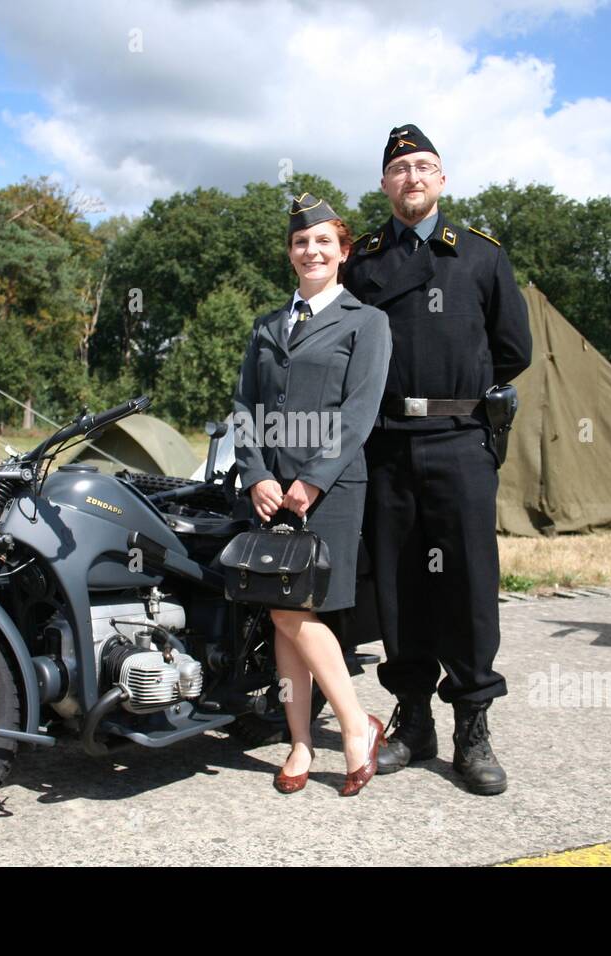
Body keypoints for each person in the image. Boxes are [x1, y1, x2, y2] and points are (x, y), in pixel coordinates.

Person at [342, 124, 532, 795]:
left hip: (459, 443)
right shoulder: (361, 263)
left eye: (425, 167)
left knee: (470, 589)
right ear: (386, 183)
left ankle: (473, 730)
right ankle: (415, 721)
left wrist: (457, 396)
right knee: (398, 587)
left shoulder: (480, 258)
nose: (412, 178)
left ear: (442, 180)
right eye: (400, 169)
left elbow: (514, 350)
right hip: (387, 445)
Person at [230, 192, 393, 796]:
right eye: (302, 242)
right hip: (271, 491)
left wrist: (313, 478)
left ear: (343, 252)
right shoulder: (266, 325)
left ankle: (355, 726)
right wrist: (256, 474)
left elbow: (360, 410)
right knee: (281, 609)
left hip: (332, 490)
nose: (312, 250)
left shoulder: (366, 322)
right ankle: (300, 740)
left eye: (324, 241)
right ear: (291, 254)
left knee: (300, 610)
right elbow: (244, 407)